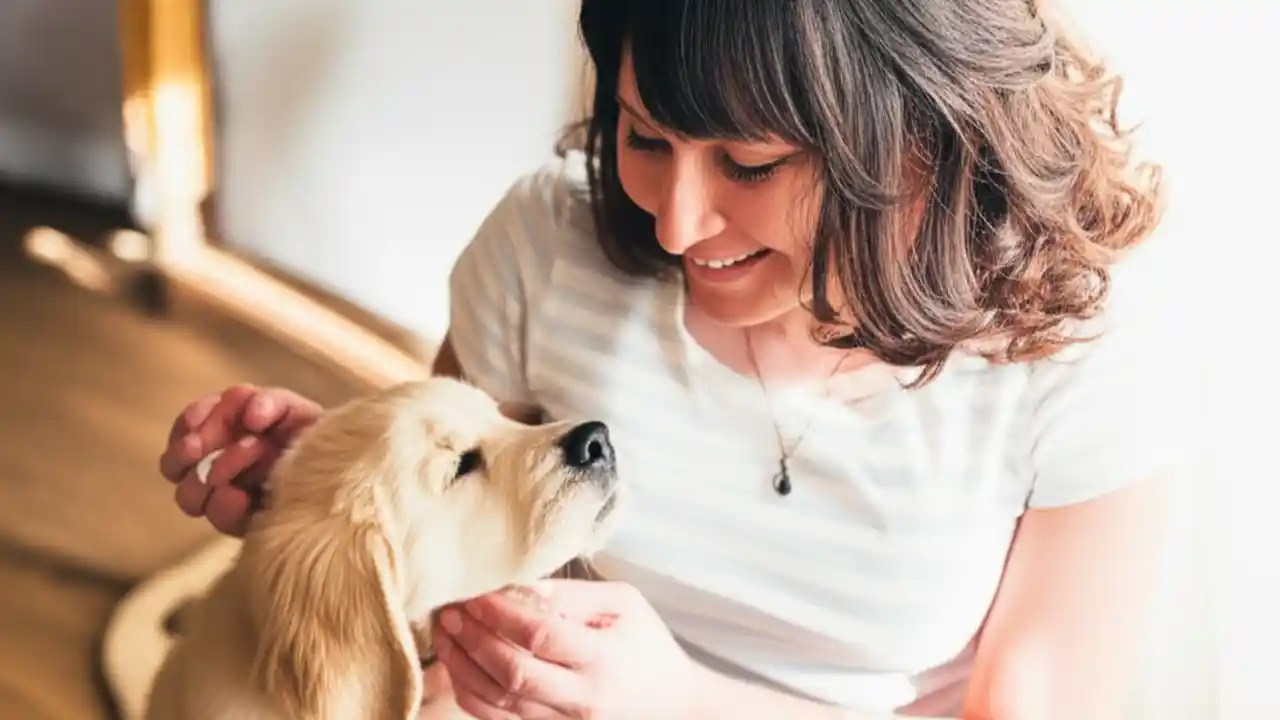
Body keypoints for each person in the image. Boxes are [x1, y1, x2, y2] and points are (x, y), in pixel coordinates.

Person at [158, 1, 1185, 718]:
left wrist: (684, 705)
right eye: (645, 136)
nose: (677, 221)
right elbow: (461, 541)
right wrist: (331, 493)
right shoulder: (545, 247)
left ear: (918, 136)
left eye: (745, 163)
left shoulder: (1068, 372)